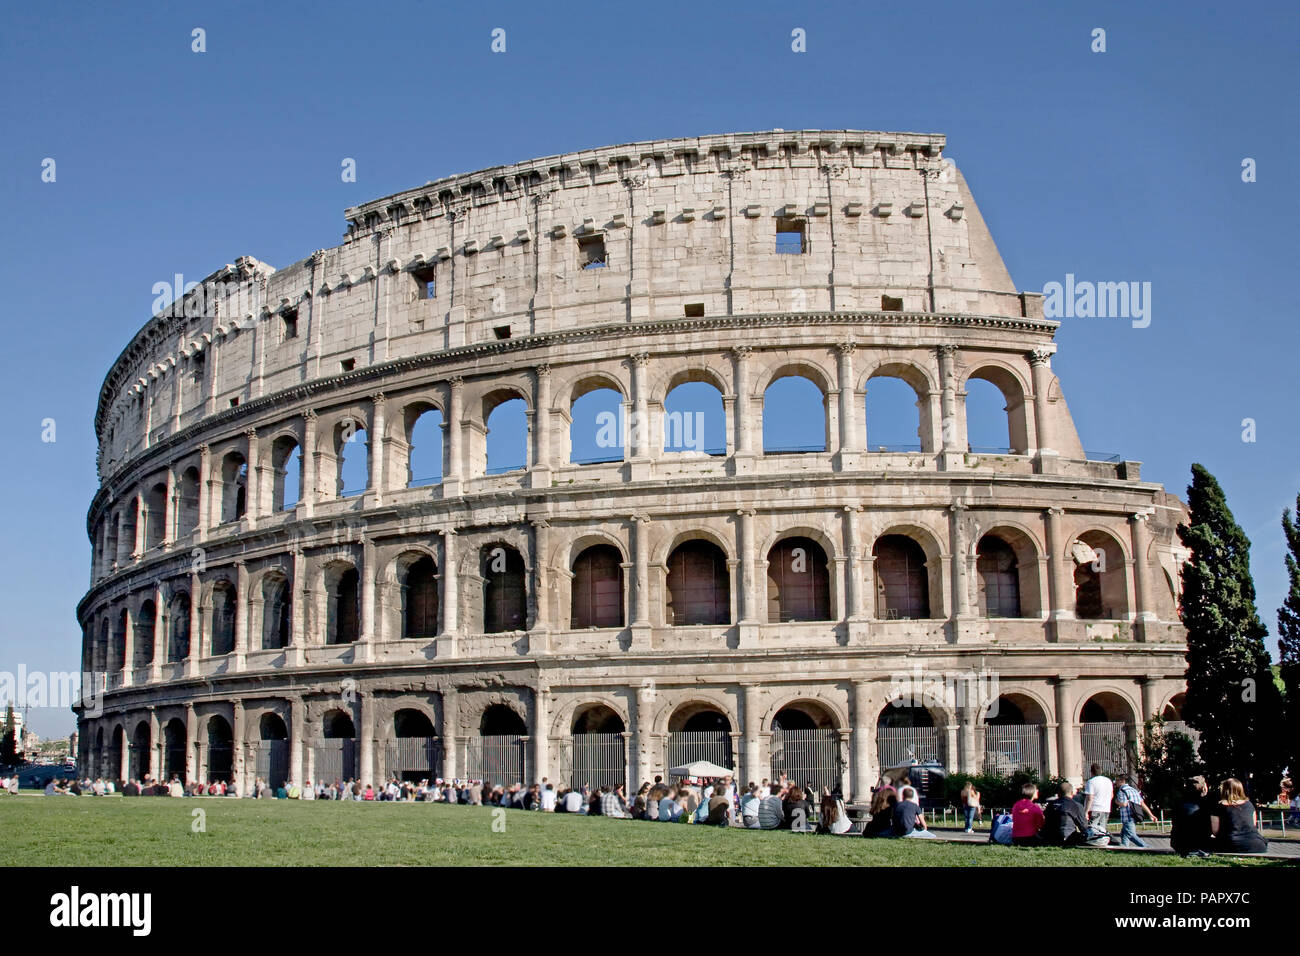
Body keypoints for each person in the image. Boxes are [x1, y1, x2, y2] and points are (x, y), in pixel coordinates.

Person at [1211, 778, 1268, 854]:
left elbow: (1215, 831)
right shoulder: (1249, 805)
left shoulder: (1218, 807)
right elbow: (1253, 824)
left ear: (1224, 790)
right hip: (1256, 845)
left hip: (1230, 845)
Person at [1170, 775, 1213, 857]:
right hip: (1200, 843)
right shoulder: (1207, 804)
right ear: (1204, 788)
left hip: (1178, 843)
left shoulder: (1178, 802)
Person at [1041, 781, 1089, 846]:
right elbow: (1083, 826)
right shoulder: (1077, 806)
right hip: (1069, 838)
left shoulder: (1050, 805)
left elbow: (1046, 823)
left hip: (1050, 839)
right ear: (1072, 793)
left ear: (1058, 794)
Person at [1114, 774, 1153, 848]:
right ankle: (1125, 849)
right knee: (1124, 834)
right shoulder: (1134, 790)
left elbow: (1124, 804)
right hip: (1135, 815)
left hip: (1127, 817)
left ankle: (1147, 847)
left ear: (1122, 781)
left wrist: (1116, 802)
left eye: (1117, 780)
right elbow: (1142, 803)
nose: (1116, 782)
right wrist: (1150, 814)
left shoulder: (1122, 791)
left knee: (1131, 835)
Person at [1083, 763, 1113, 833]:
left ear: (1091, 772)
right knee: (1102, 829)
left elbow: (1090, 798)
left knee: (1092, 829)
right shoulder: (1108, 781)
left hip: (1094, 809)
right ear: (1101, 771)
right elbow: (1111, 795)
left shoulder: (1091, 782)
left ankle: (1095, 842)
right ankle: (1102, 842)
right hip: (1106, 808)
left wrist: (1086, 811)